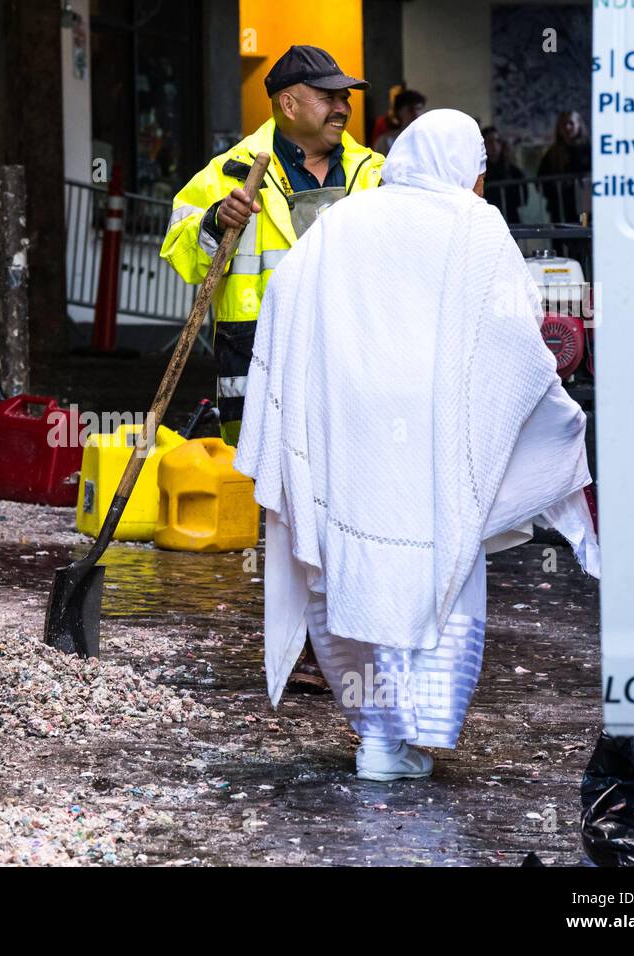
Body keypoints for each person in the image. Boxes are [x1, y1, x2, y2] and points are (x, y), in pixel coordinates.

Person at [235, 110, 600, 781]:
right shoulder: (473, 225)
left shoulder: (345, 220)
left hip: (352, 427)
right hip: (435, 436)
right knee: (434, 568)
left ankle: (377, 736)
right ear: (461, 165)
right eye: (480, 173)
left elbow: (285, 294)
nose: (483, 186)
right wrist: (561, 422)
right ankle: (412, 729)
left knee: (354, 568)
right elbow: (514, 342)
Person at [161, 45, 385, 448]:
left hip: (352, 359)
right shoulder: (229, 171)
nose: (342, 108)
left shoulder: (376, 173)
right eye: (328, 97)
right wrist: (214, 221)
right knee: (263, 492)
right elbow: (181, 254)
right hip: (260, 361)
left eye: (344, 97)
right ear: (288, 103)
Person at [537, 110, 590, 224]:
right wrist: (556, 192)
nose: (567, 127)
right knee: (561, 238)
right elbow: (541, 180)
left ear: (578, 125)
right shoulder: (552, 153)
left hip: (584, 208)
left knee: (584, 234)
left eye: (571, 123)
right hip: (560, 208)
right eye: (563, 124)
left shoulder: (588, 150)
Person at [481, 125, 527, 223]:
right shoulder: (479, 171)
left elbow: (523, 196)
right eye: (490, 141)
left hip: (510, 217)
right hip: (489, 219)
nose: (494, 145)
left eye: (497, 141)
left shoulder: (512, 170)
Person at [372, 89, 426, 155]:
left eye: (419, 109)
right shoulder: (386, 141)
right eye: (410, 110)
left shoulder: (428, 137)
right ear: (399, 111)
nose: (416, 113)